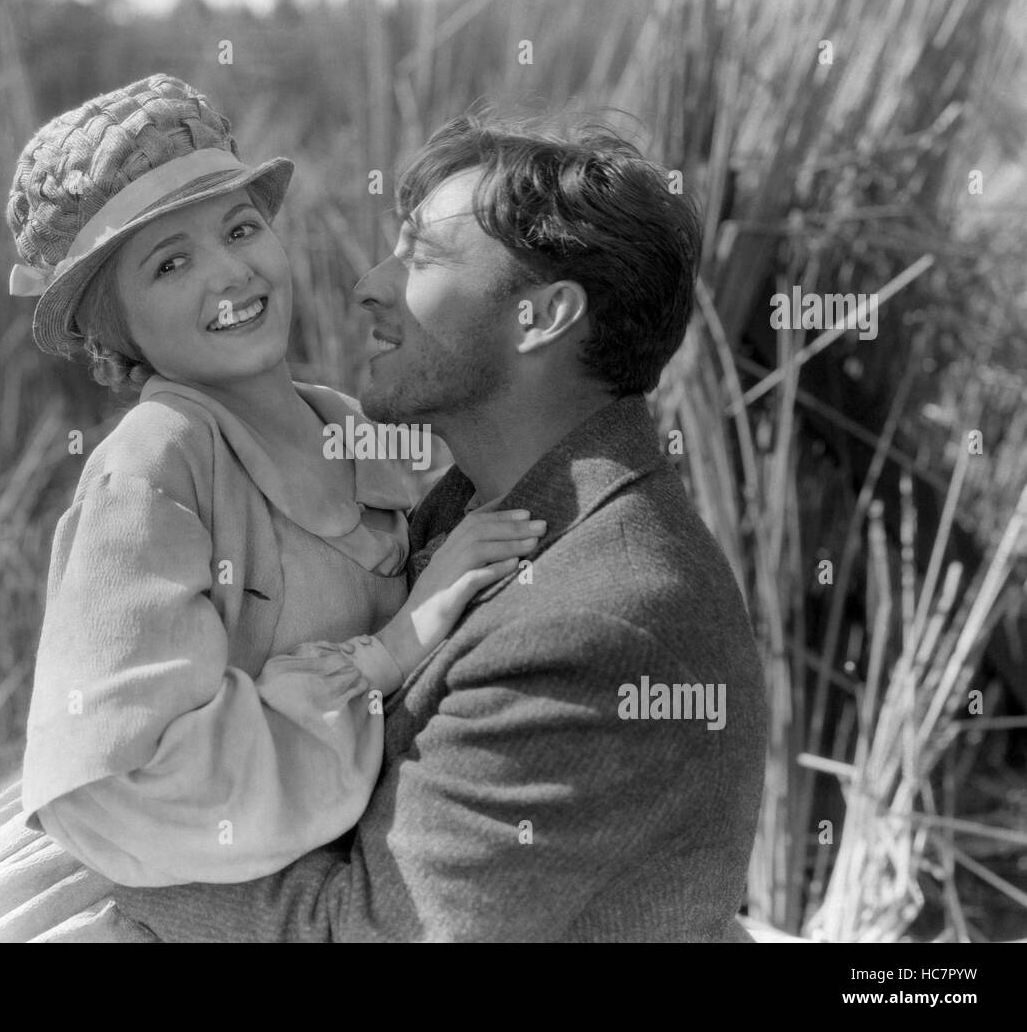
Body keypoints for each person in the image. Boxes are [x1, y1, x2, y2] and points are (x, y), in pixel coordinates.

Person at [0, 76, 538, 942]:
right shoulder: (150, 468)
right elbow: (123, 779)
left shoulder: (348, 425)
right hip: (158, 898)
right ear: (115, 328)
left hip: (339, 889)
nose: (232, 271)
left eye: (241, 228)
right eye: (171, 263)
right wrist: (383, 657)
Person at [114, 111, 769, 942]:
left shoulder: (594, 626)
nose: (370, 286)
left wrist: (116, 859)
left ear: (542, 317)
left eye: (420, 256)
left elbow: (367, 933)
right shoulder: (479, 506)